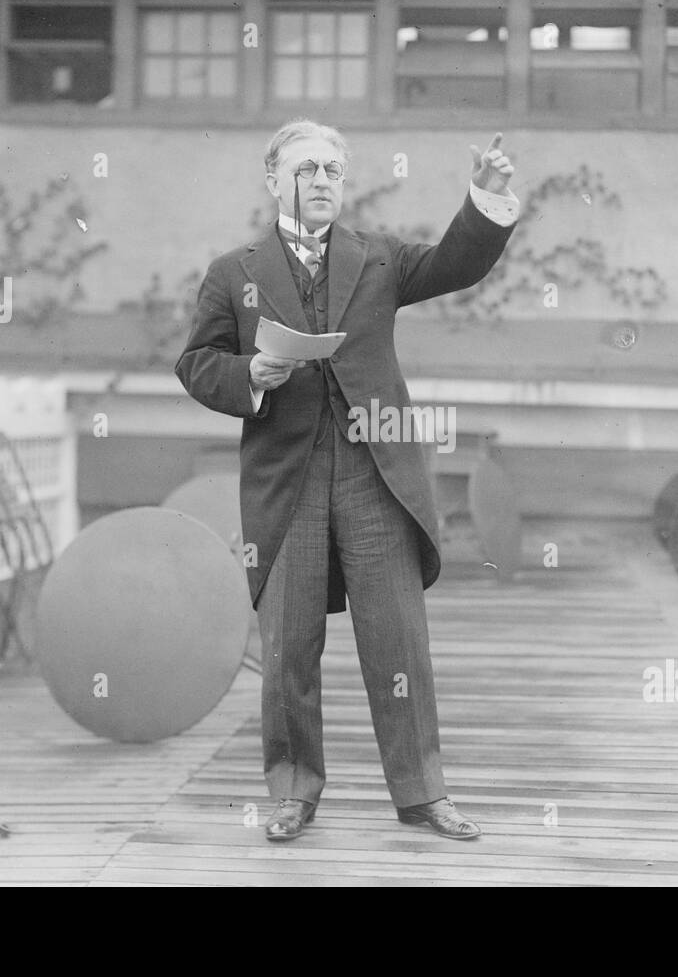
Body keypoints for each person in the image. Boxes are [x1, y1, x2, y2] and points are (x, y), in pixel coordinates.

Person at [176, 119, 517, 841]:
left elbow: (454, 263)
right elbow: (197, 363)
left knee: (398, 639)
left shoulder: (380, 258)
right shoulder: (232, 272)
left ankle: (423, 791)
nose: (322, 181)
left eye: (333, 169)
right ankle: (293, 790)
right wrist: (252, 375)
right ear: (274, 180)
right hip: (287, 480)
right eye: (306, 170)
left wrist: (482, 200)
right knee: (288, 646)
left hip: (375, 473)